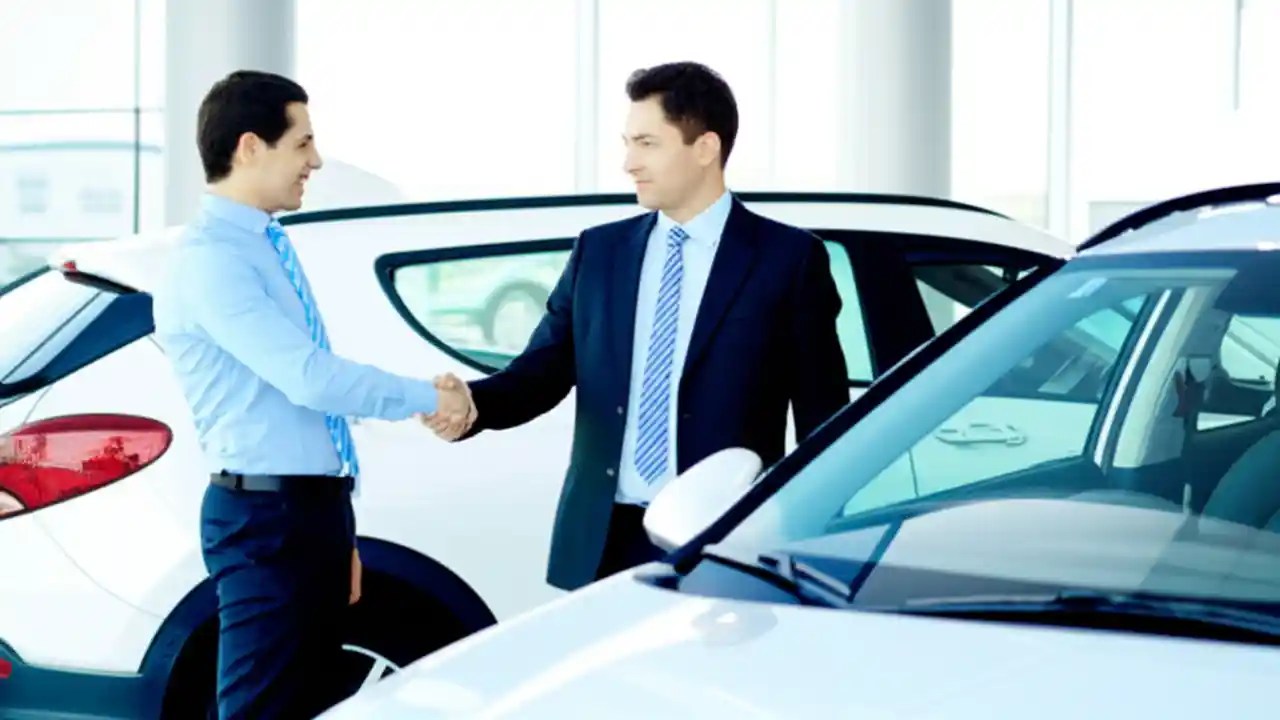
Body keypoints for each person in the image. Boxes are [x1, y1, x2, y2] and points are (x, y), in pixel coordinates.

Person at [426, 61, 849, 591]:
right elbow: (543, 371)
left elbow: (822, 418)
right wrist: (476, 402)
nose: (629, 163)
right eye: (627, 143)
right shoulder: (600, 252)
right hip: (604, 538)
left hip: (726, 541)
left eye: (647, 143)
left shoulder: (789, 260)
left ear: (705, 147)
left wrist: (811, 544)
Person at [151, 70, 469, 719]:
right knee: (260, 711)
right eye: (302, 144)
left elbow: (300, 404)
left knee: (310, 707)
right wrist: (426, 395)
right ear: (249, 147)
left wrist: (336, 527)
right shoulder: (213, 260)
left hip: (307, 515)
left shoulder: (263, 246)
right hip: (267, 522)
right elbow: (310, 378)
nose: (315, 161)